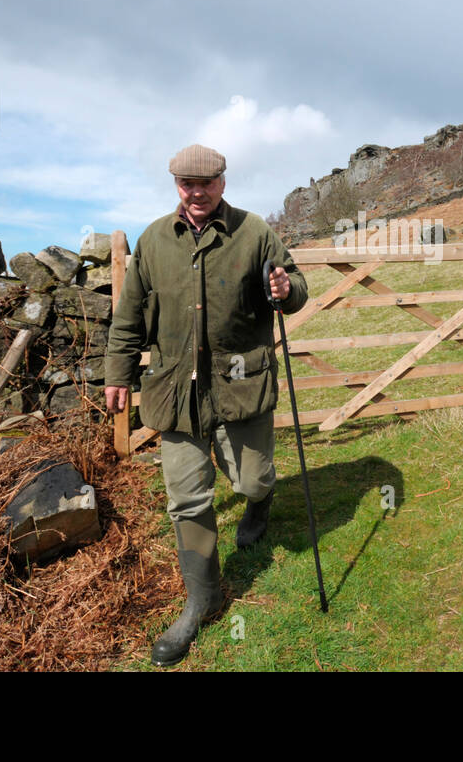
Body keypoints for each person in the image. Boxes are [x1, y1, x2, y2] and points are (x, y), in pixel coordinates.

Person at [104, 143, 308, 666]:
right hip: (175, 392)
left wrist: (286, 289)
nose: (196, 194)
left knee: (250, 480)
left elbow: (295, 287)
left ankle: (260, 501)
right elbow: (128, 319)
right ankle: (203, 599)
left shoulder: (254, 231)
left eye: (206, 184)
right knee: (188, 500)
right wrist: (117, 374)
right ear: (177, 186)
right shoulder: (152, 241)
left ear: (222, 181)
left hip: (240, 385)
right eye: (186, 185)